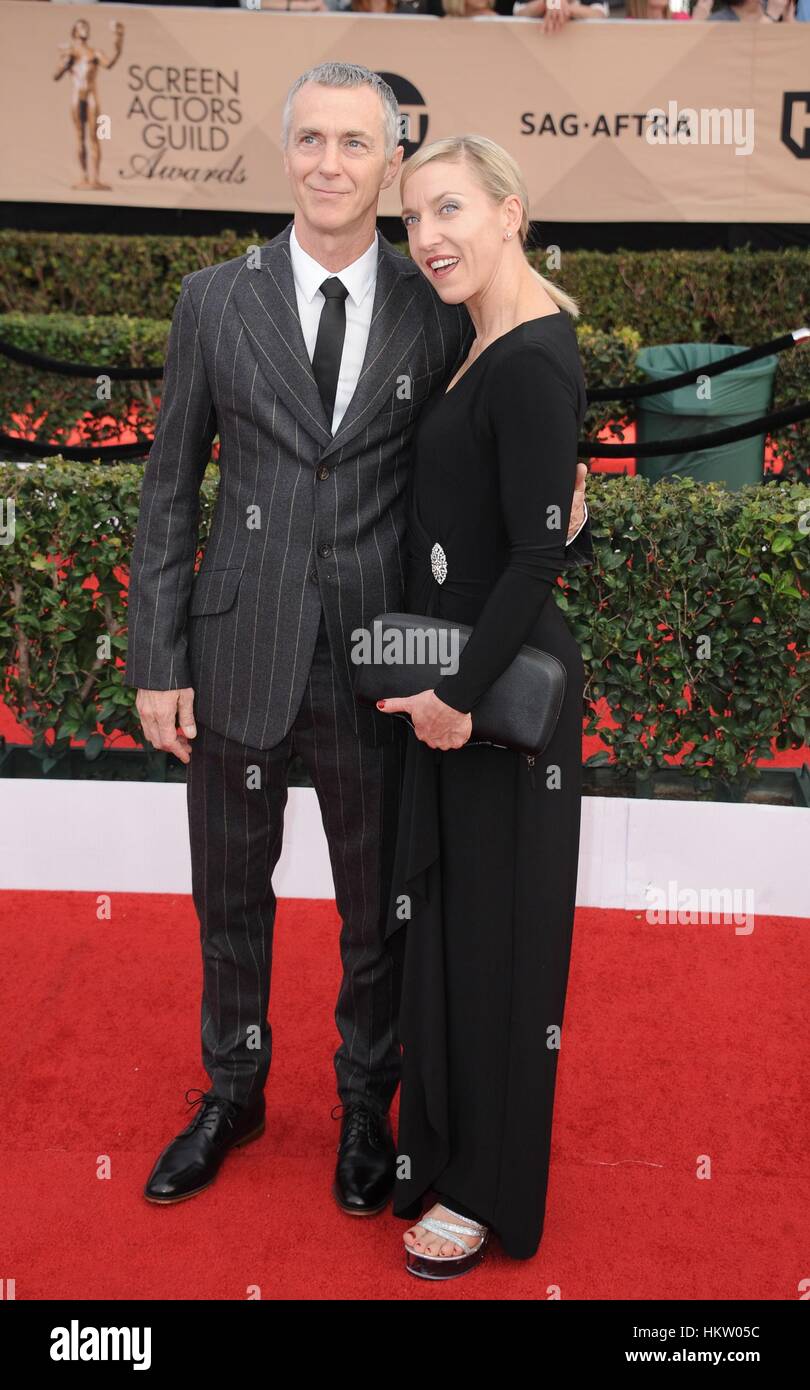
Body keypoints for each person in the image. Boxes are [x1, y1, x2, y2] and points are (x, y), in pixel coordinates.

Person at [124, 64, 590, 1215]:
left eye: (356, 144)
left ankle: (360, 1110)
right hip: (238, 649)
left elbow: (501, 442)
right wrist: (156, 659)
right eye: (311, 141)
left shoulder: (438, 303)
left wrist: (572, 507)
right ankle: (232, 1090)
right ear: (288, 155)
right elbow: (170, 487)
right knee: (228, 896)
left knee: (376, 907)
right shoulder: (212, 301)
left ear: (391, 164)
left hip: (385, 662)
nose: (331, 164)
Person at [377, 134, 591, 1277]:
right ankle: (443, 1152)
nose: (433, 238)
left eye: (452, 209)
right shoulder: (482, 342)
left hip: (497, 698)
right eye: (416, 220)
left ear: (513, 211)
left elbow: (534, 557)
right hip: (452, 676)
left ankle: (486, 1190)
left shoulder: (530, 357)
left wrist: (458, 696)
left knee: (501, 951)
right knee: (451, 936)